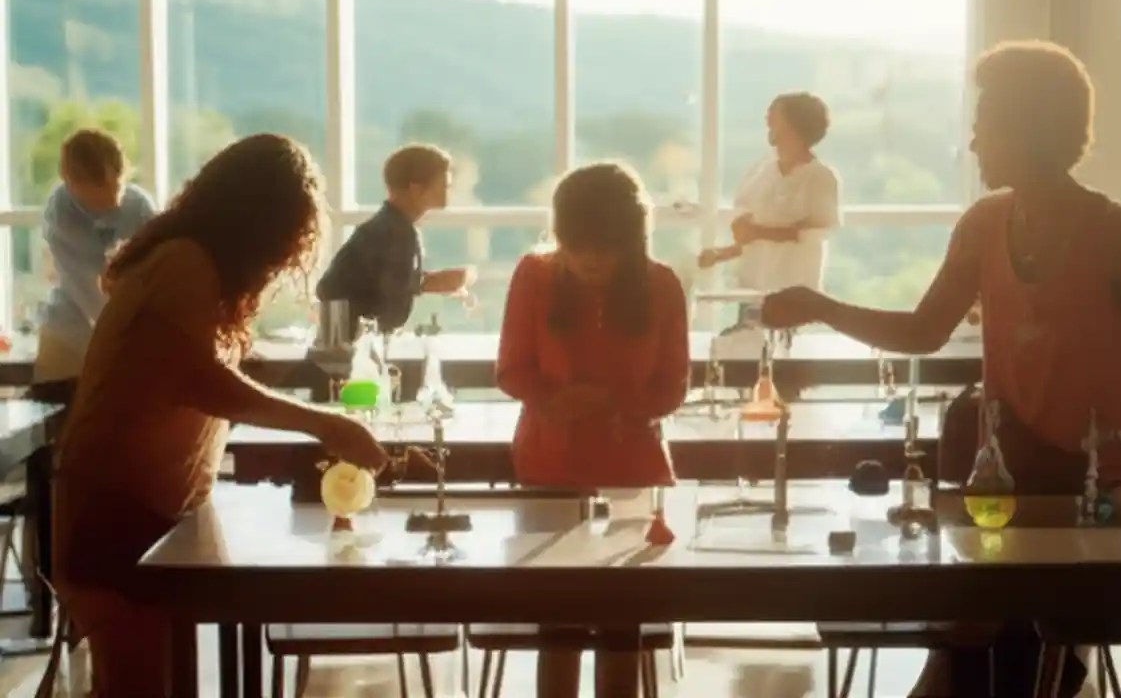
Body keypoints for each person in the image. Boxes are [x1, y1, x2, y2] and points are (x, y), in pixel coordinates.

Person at [762, 40, 1121, 697]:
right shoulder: (984, 225)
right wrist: (817, 305)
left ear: (1028, 129)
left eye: (985, 125)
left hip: (1112, 470)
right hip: (1017, 468)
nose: (975, 141)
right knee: (977, 624)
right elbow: (924, 331)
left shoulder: (1118, 234)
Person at [52, 134, 388, 698]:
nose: (287, 253)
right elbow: (196, 380)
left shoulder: (187, 263)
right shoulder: (184, 264)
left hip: (139, 512)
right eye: (289, 232)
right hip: (115, 514)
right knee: (135, 686)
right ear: (260, 221)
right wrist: (324, 424)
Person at [496, 162, 689, 696]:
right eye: (577, 246)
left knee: (622, 624)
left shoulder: (662, 285)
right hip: (549, 466)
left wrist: (614, 403)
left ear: (633, 240)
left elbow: (673, 387)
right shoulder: (534, 275)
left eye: (604, 247)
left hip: (633, 469)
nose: (589, 260)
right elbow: (511, 369)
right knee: (559, 623)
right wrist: (555, 400)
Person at [698, 92, 840, 320]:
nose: (768, 120)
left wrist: (757, 231)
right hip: (752, 293)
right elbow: (751, 237)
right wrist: (719, 254)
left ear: (795, 125)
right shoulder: (760, 172)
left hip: (795, 296)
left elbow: (815, 232)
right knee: (747, 351)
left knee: (787, 354)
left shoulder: (821, 177)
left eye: (775, 115)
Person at [35, 129, 156, 382]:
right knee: (58, 413)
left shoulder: (141, 207)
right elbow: (86, 285)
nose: (113, 196)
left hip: (130, 333)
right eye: (100, 187)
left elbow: (154, 274)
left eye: (118, 183)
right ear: (71, 182)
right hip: (70, 337)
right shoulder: (61, 210)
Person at [316, 143, 474, 335]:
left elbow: (387, 280)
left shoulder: (385, 227)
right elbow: (390, 303)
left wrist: (431, 282)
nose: (449, 190)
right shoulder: (397, 233)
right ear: (417, 189)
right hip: (353, 345)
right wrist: (430, 283)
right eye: (444, 185)